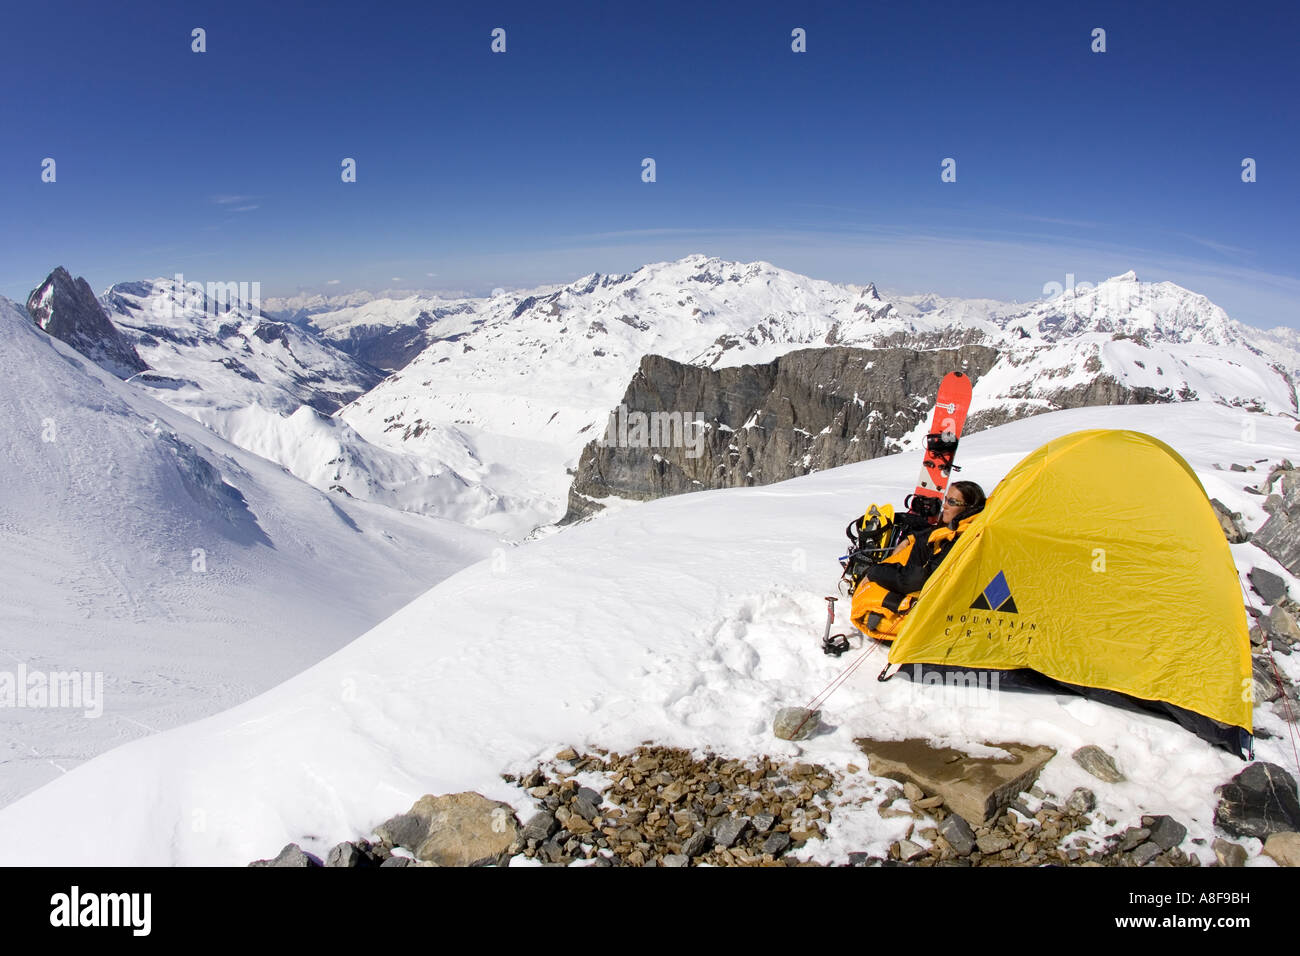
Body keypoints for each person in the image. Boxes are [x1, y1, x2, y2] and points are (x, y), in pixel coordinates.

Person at [864, 481, 987, 596]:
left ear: (969, 507)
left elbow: (914, 580)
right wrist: (909, 539)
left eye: (952, 502)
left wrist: (874, 571)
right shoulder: (957, 530)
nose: (944, 505)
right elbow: (933, 533)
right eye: (945, 500)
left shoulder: (958, 542)